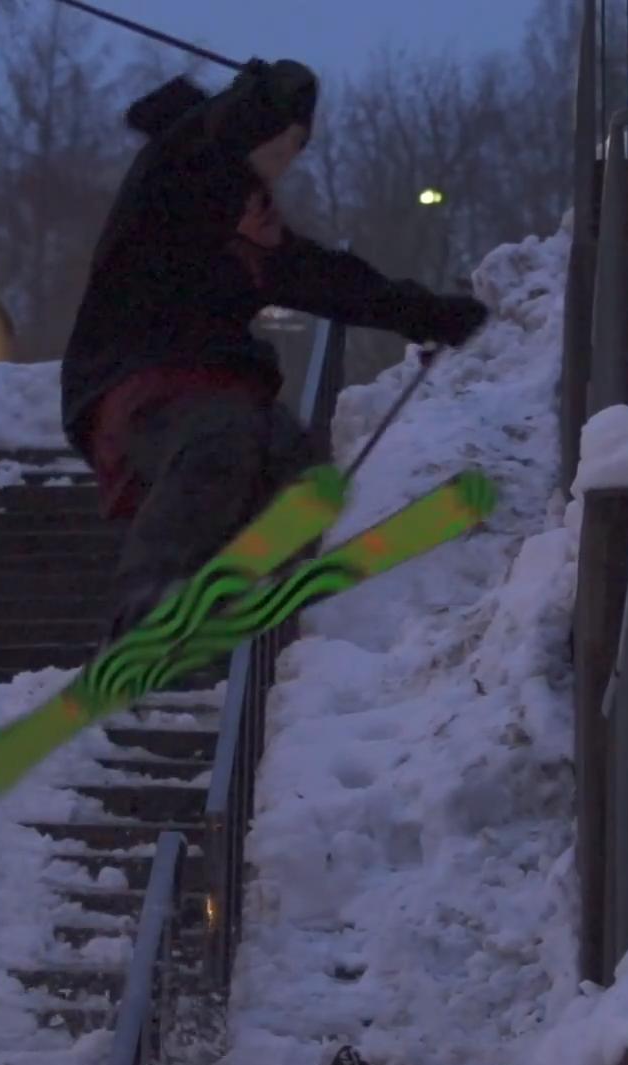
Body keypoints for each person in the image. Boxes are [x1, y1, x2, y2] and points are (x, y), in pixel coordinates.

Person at [61, 59, 489, 644]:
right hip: (132, 383)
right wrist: (265, 100)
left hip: (214, 387)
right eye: (271, 165)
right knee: (223, 436)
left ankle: (270, 612)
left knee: (298, 462)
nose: (272, 214)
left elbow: (338, 284)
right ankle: (149, 596)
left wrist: (430, 314)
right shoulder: (169, 195)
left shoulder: (260, 253)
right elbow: (203, 139)